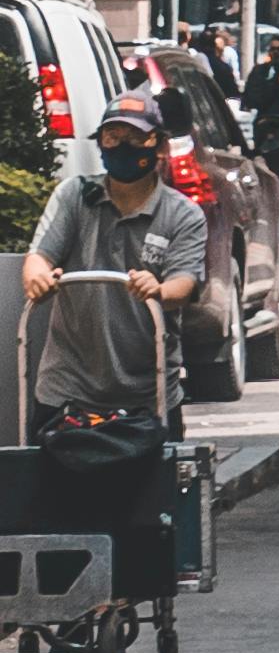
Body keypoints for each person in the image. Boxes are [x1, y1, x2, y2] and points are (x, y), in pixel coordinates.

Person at [22, 96, 205, 447]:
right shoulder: (75, 196)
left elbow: (184, 283)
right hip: (67, 390)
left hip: (148, 394)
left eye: (136, 137)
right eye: (112, 136)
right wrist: (37, 276)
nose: (123, 146)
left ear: (159, 146)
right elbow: (39, 256)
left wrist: (159, 290)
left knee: (150, 498)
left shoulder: (182, 214)